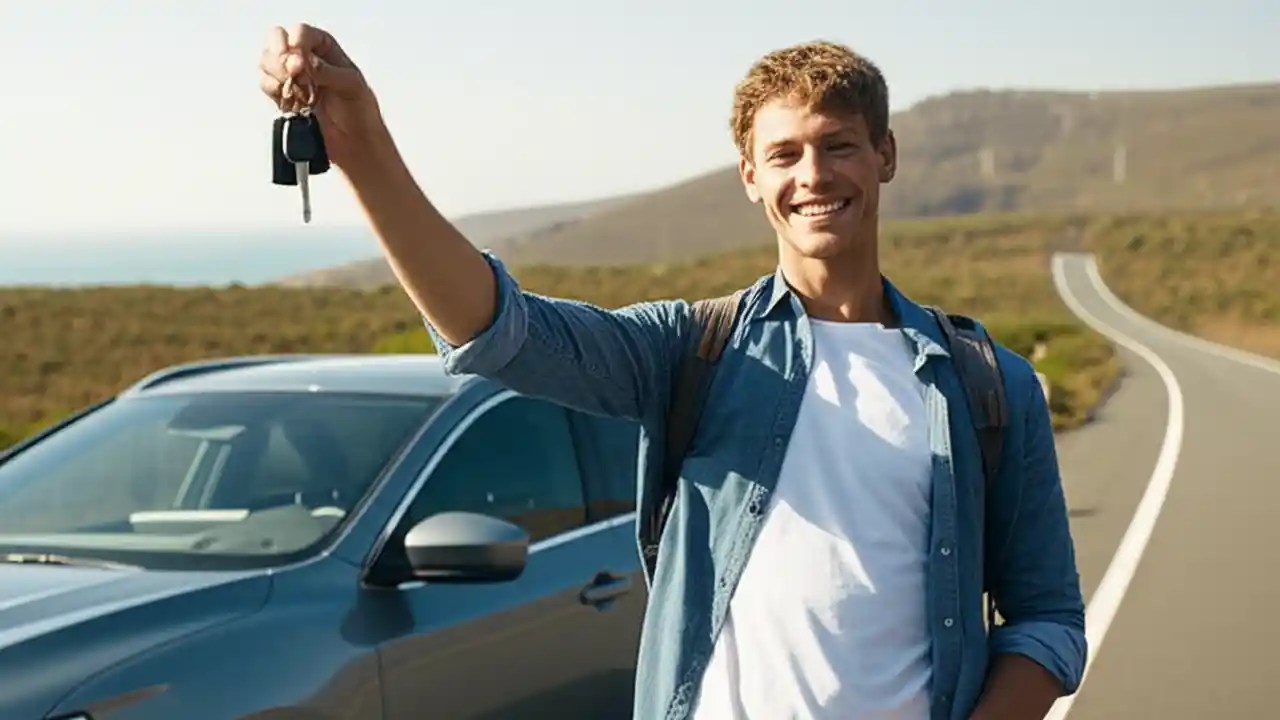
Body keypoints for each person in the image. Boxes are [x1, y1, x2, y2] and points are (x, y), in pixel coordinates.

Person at [259, 25, 1087, 720]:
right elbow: (497, 328)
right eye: (785, 153)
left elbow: (1047, 621)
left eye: (839, 146)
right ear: (750, 176)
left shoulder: (983, 384)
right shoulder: (693, 351)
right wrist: (361, 147)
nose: (814, 176)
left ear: (885, 156)